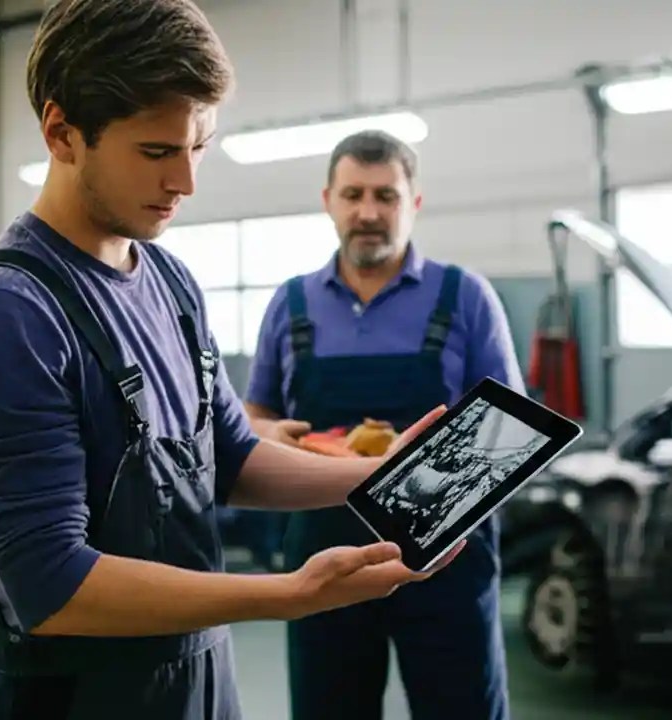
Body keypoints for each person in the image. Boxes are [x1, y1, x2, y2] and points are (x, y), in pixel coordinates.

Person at [0, 2, 461, 718]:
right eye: (156, 152)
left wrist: (378, 475)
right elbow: (49, 583)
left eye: (199, 146)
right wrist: (290, 595)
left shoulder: (170, 281)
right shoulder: (7, 310)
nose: (186, 182)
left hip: (199, 686)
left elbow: (230, 459)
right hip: (80, 700)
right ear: (61, 132)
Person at [244, 130, 526, 720]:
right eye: (353, 194)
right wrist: (271, 435)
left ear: (413, 202)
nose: (367, 212)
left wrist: (438, 457)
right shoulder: (290, 302)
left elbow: (510, 427)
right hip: (323, 553)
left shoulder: (465, 295)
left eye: (385, 196)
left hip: (447, 554)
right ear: (329, 200)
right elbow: (256, 413)